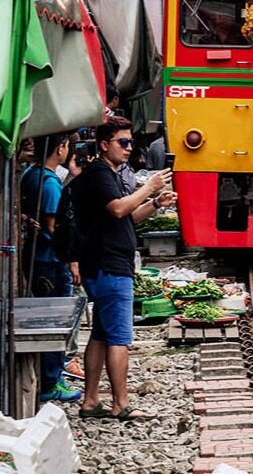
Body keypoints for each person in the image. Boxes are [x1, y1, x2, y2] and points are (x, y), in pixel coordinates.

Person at [76, 116, 177, 420]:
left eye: (131, 142)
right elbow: (119, 208)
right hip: (110, 265)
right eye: (123, 142)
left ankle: (91, 401)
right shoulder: (100, 174)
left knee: (100, 334)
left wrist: (155, 204)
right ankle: (121, 403)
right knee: (119, 338)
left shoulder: (112, 174)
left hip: (104, 262)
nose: (129, 148)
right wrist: (150, 186)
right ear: (105, 145)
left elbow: (126, 217)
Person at [20, 132, 82, 403]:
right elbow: (53, 226)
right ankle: (51, 380)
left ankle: (50, 375)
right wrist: (73, 259)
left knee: (45, 316)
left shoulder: (29, 175)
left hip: (37, 257)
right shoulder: (49, 184)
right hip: (51, 259)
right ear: (61, 148)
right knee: (55, 320)